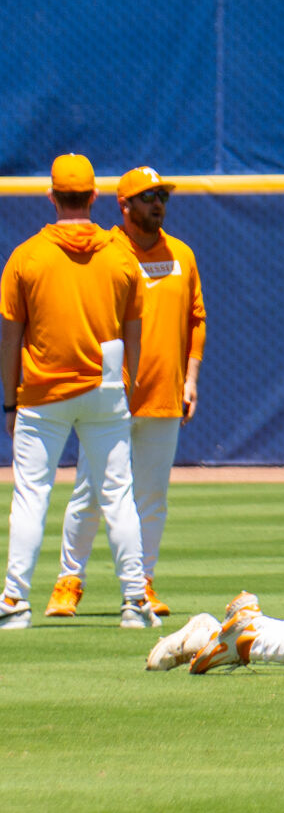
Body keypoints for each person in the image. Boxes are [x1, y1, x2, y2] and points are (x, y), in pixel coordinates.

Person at [2, 155, 153, 629]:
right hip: (104, 389)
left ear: (51, 196)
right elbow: (134, 332)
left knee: (31, 496)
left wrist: (9, 401)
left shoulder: (26, 256)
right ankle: (134, 602)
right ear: (93, 197)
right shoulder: (120, 255)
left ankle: (14, 603)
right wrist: (124, 387)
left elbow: (10, 338)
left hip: (42, 393)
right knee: (118, 495)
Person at [51, 166, 206, 619]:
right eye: (148, 197)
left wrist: (191, 378)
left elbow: (197, 318)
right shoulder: (102, 251)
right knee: (91, 492)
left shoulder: (181, 254)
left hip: (163, 393)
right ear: (124, 205)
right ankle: (68, 581)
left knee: (151, 498)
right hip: (111, 396)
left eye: (162, 196)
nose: (158, 203)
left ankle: (144, 583)